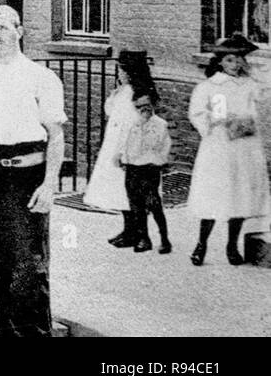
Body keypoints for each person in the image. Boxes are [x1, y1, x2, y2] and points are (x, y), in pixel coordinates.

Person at [0, 5, 66, 337]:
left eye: (4, 28)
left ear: (19, 31)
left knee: (28, 271)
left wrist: (49, 185)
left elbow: (56, 135)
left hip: (27, 179)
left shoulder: (41, 77)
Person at [185, 34, 271, 266]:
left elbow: (265, 93)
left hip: (244, 146)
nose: (235, 65)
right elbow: (197, 113)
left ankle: (232, 245)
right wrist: (216, 119)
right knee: (214, 194)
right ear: (221, 61)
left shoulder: (249, 84)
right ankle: (201, 244)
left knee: (239, 194)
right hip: (219, 146)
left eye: (239, 60)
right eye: (230, 60)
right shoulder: (210, 86)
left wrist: (254, 72)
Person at [83, 50, 153, 246]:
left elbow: (143, 123)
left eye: (121, 70)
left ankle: (141, 235)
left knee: (134, 192)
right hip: (115, 144)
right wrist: (114, 94)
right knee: (120, 191)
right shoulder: (123, 91)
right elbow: (110, 111)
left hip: (129, 147)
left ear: (131, 72)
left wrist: (127, 150)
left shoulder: (140, 95)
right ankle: (128, 230)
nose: (119, 74)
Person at [119, 86, 172, 253]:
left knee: (153, 203)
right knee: (136, 204)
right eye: (139, 106)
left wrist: (159, 162)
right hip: (133, 168)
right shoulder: (130, 124)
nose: (144, 110)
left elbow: (157, 145)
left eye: (147, 105)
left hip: (150, 167)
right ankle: (143, 237)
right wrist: (122, 157)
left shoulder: (160, 125)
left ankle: (164, 238)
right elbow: (124, 143)